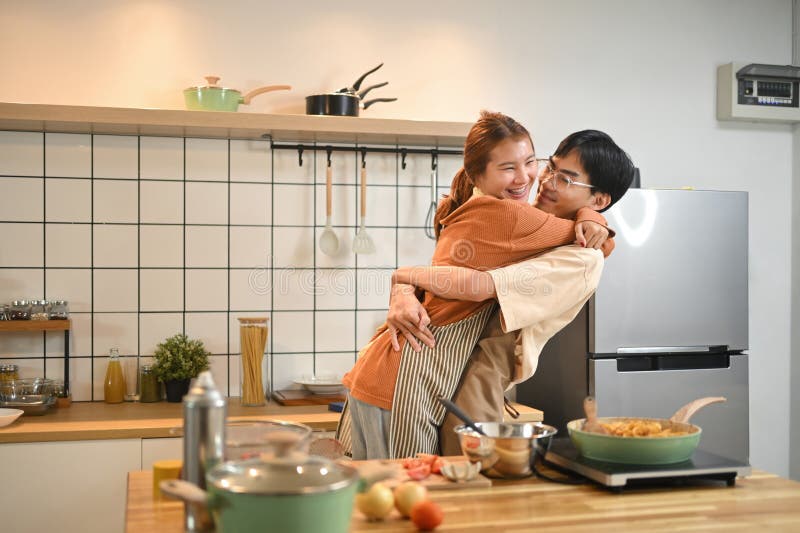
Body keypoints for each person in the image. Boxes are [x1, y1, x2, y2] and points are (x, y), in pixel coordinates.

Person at [340, 111, 626, 459]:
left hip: (423, 374)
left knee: (400, 496)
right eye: (549, 167)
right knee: (412, 498)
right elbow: (476, 286)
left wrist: (402, 284)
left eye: (563, 178)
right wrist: (596, 222)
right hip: (413, 377)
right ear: (480, 175)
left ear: (599, 198)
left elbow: (588, 249)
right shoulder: (514, 216)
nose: (541, 181)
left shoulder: (574, 253)